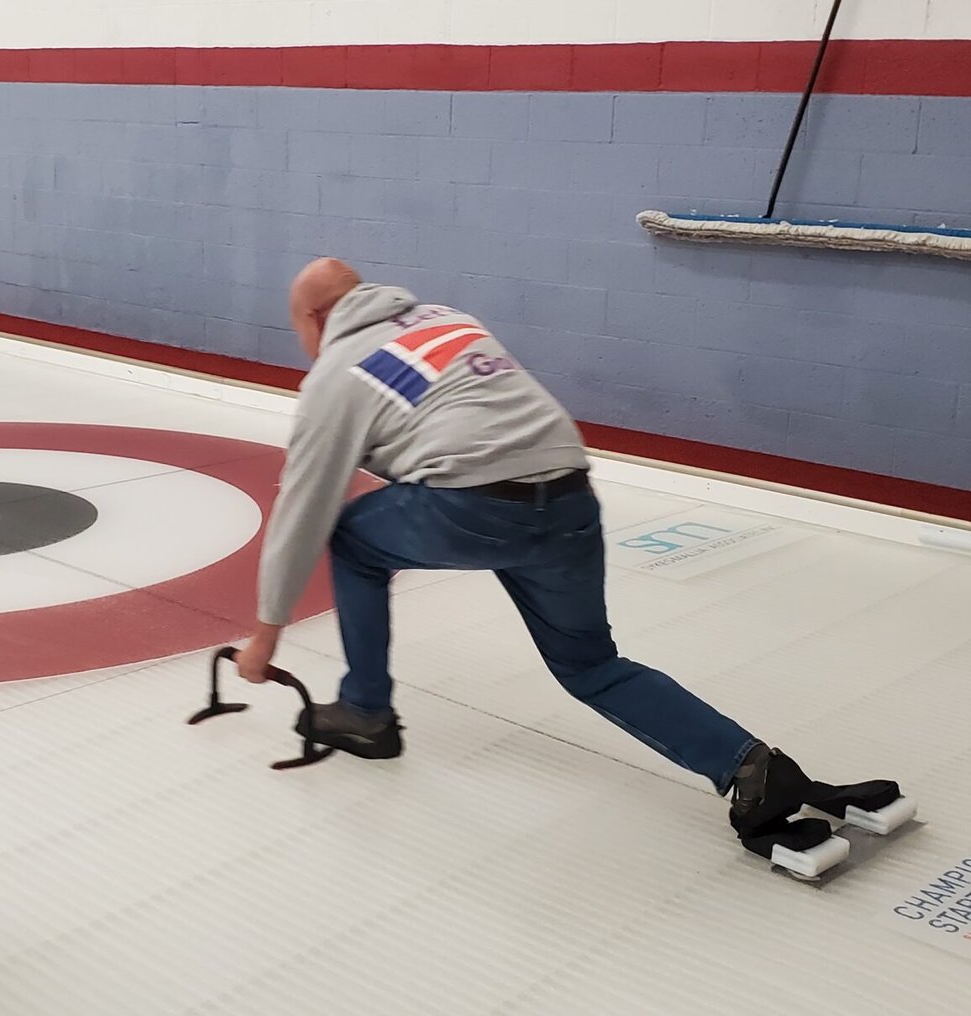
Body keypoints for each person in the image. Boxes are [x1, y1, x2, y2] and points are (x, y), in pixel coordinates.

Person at [234, 257, 814, 841]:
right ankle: (751, 766)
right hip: (569, 498)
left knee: (353, 541)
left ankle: (365, 712)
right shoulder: (446, 318)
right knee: (590, 665)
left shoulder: (338, 372)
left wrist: (265, 637)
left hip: (473, 506)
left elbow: (303, 509)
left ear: (313, 316)